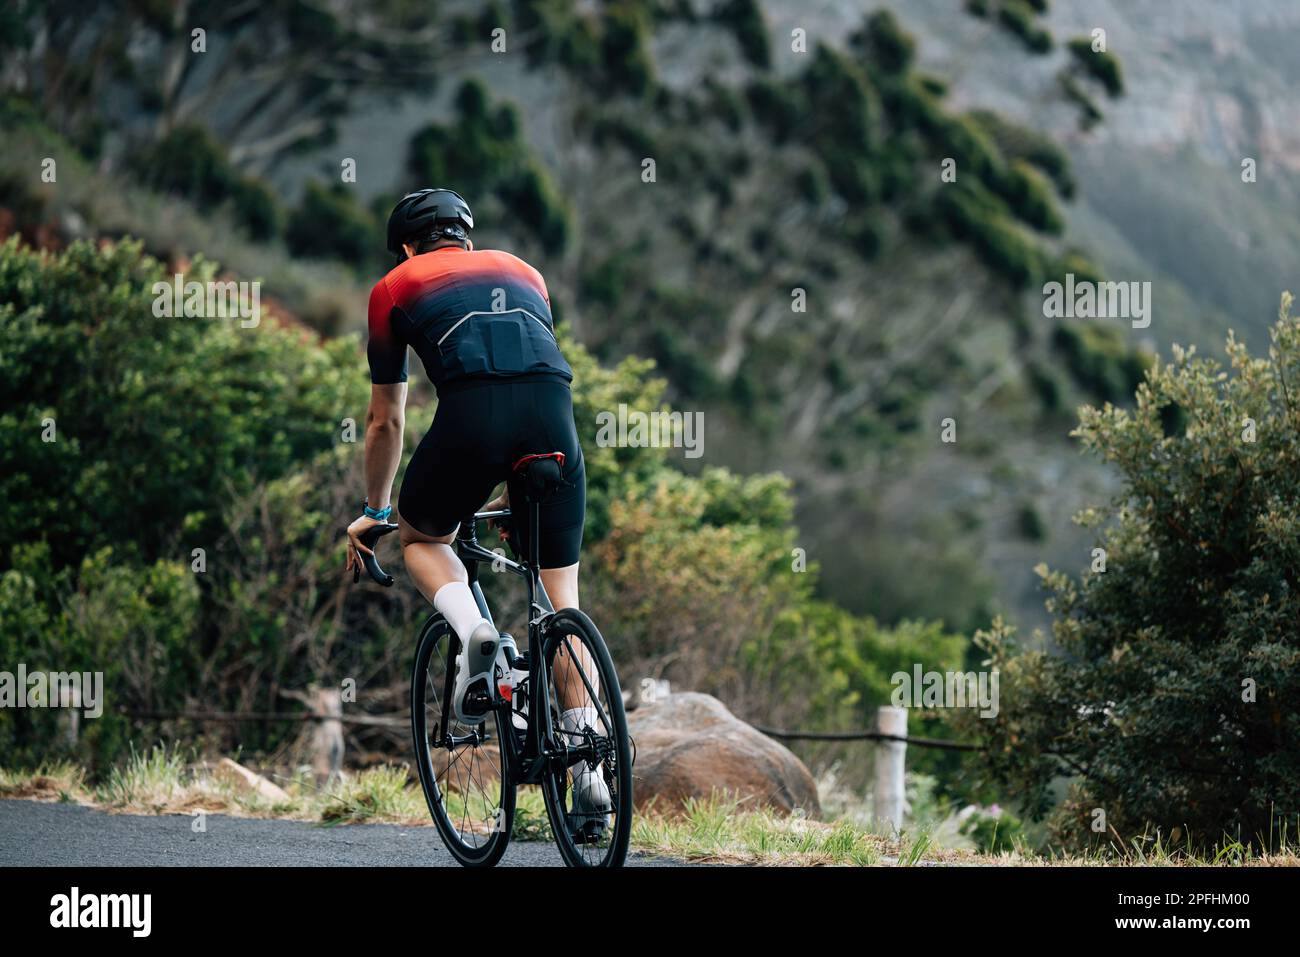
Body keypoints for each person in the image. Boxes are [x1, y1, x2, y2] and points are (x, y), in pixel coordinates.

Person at [344, 187, 606, 815]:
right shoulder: (524, 272)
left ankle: (476, 633)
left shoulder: (393, 287)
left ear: (408, 244)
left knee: (423, 538)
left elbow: (386, 421)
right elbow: (526, 365)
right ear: (464, 232)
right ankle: (593, 778)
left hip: (472, 422)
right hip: (554, 422)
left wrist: (377, 510)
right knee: (558, 600)